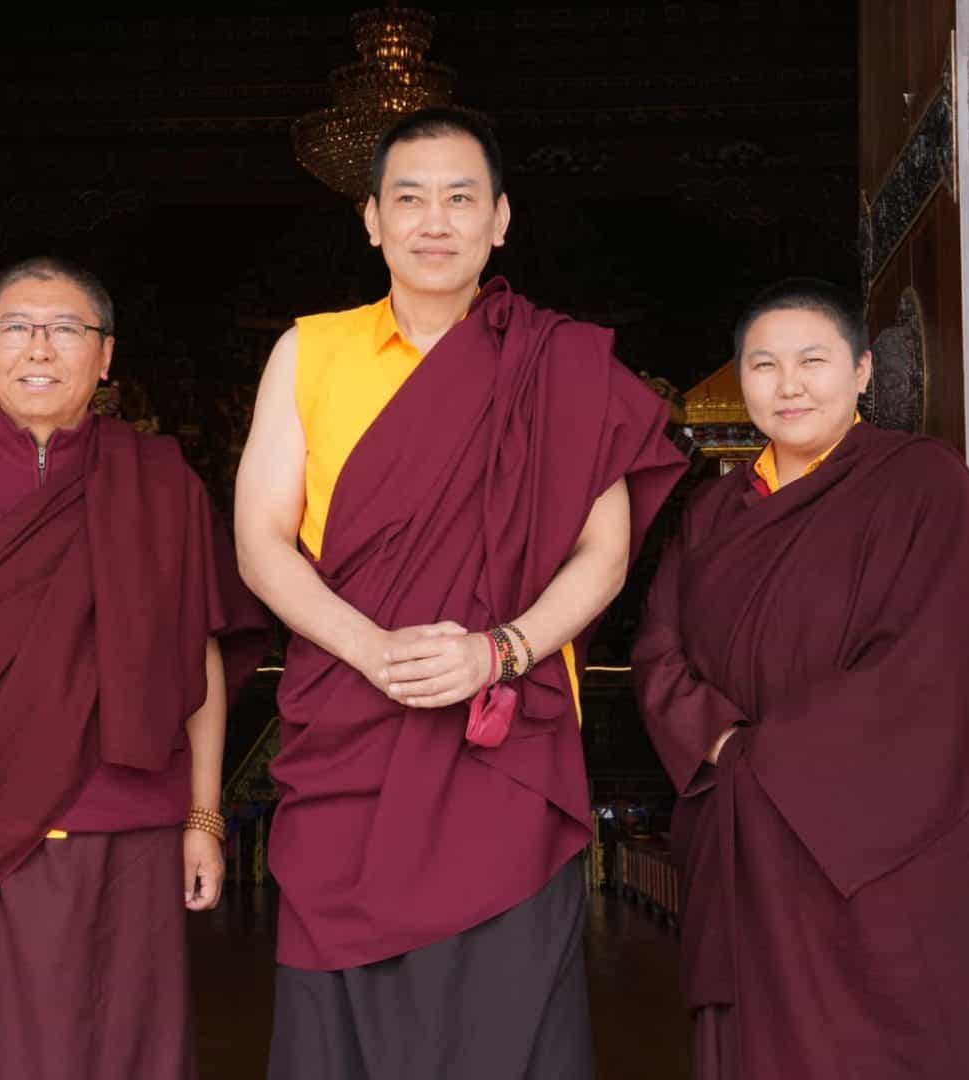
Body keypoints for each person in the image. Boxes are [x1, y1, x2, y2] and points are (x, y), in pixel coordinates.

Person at [234, 107, 687, 1079]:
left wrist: (500, 650)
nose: (433, 222)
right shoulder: (308, 352)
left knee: (503, 1010)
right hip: (351, 735)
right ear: (371, 221)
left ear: (501, 218)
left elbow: (603, 552)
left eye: (459, 199)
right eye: (409, 199)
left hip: (500, 740)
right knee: (338, 1009)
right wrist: (374, 650)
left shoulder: (556, 363)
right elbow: (261, 543)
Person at [632, 279, 969, 1077]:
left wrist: (775, 759)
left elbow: (947, 658)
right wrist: (721, 748)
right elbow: (658, 649)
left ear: (860, 373)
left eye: (813, 361)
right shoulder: (712, 513)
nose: (788, 385)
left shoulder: (921, 483)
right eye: (763, 365)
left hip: (885, 840)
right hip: (749, 835)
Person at [0, 256, 269, 1079]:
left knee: (126, 1045)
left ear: (106, 355)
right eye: (16, 328)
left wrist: (203, 819)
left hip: (128, 823)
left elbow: (191, 656)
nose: (40, 349)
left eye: (65, 329)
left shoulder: (161, 481)